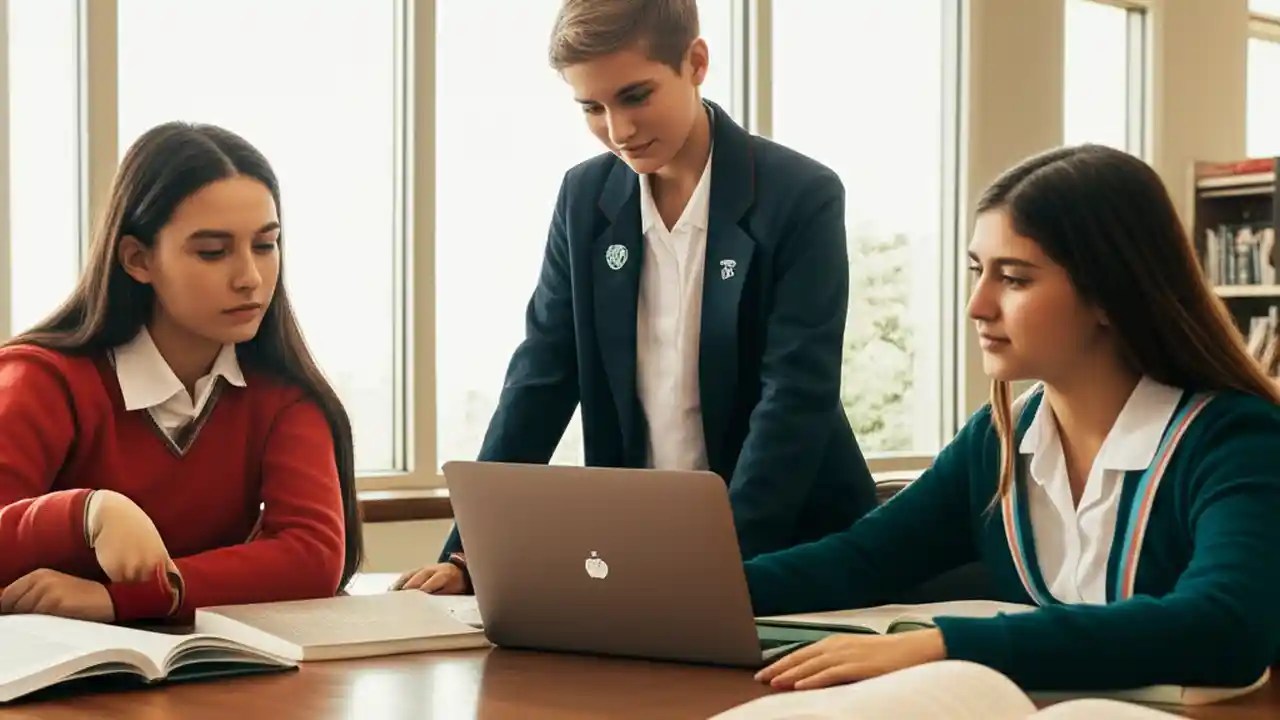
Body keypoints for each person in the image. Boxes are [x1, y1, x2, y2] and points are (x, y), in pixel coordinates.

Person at [746, 144, 1280, 693]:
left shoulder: (1237, 440)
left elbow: (1227, 628)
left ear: (1110, 297)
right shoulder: (996, 440)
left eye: (1016, 279)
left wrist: (940, 647)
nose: (978, 304)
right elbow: (858, 560)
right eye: (978, 270)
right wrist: (688, 597)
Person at [396, 0, 876, 594]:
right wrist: (468, 556)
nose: (617, 130)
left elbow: (795, 396)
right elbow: (542, 377)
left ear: (695, 62)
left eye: (635, 96)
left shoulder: (801, 194)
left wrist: (722, 562)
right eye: (591, 108)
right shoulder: (584, 196)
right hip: (640, 553)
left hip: (789, 549)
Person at [0, 122, 362, 623]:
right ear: (137, 259)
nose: (250, 278)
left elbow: (313, 557)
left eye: (265, 245)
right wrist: (89, 514)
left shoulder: (284, 397)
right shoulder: (42, 380)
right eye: (212, 251)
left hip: (214, 680)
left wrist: (123, 599)